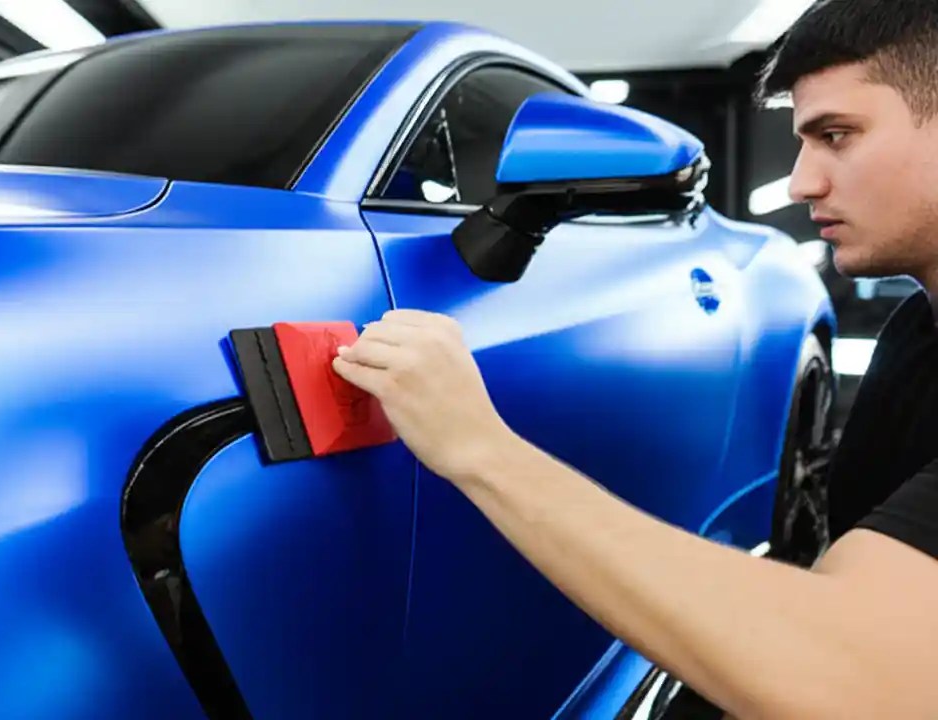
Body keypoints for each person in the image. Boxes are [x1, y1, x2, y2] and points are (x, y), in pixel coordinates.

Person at [331, 1, 938, 718]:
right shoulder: (915, 329)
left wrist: (477, 445)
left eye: (837, 134)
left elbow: (861, 683)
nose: (802, 183)